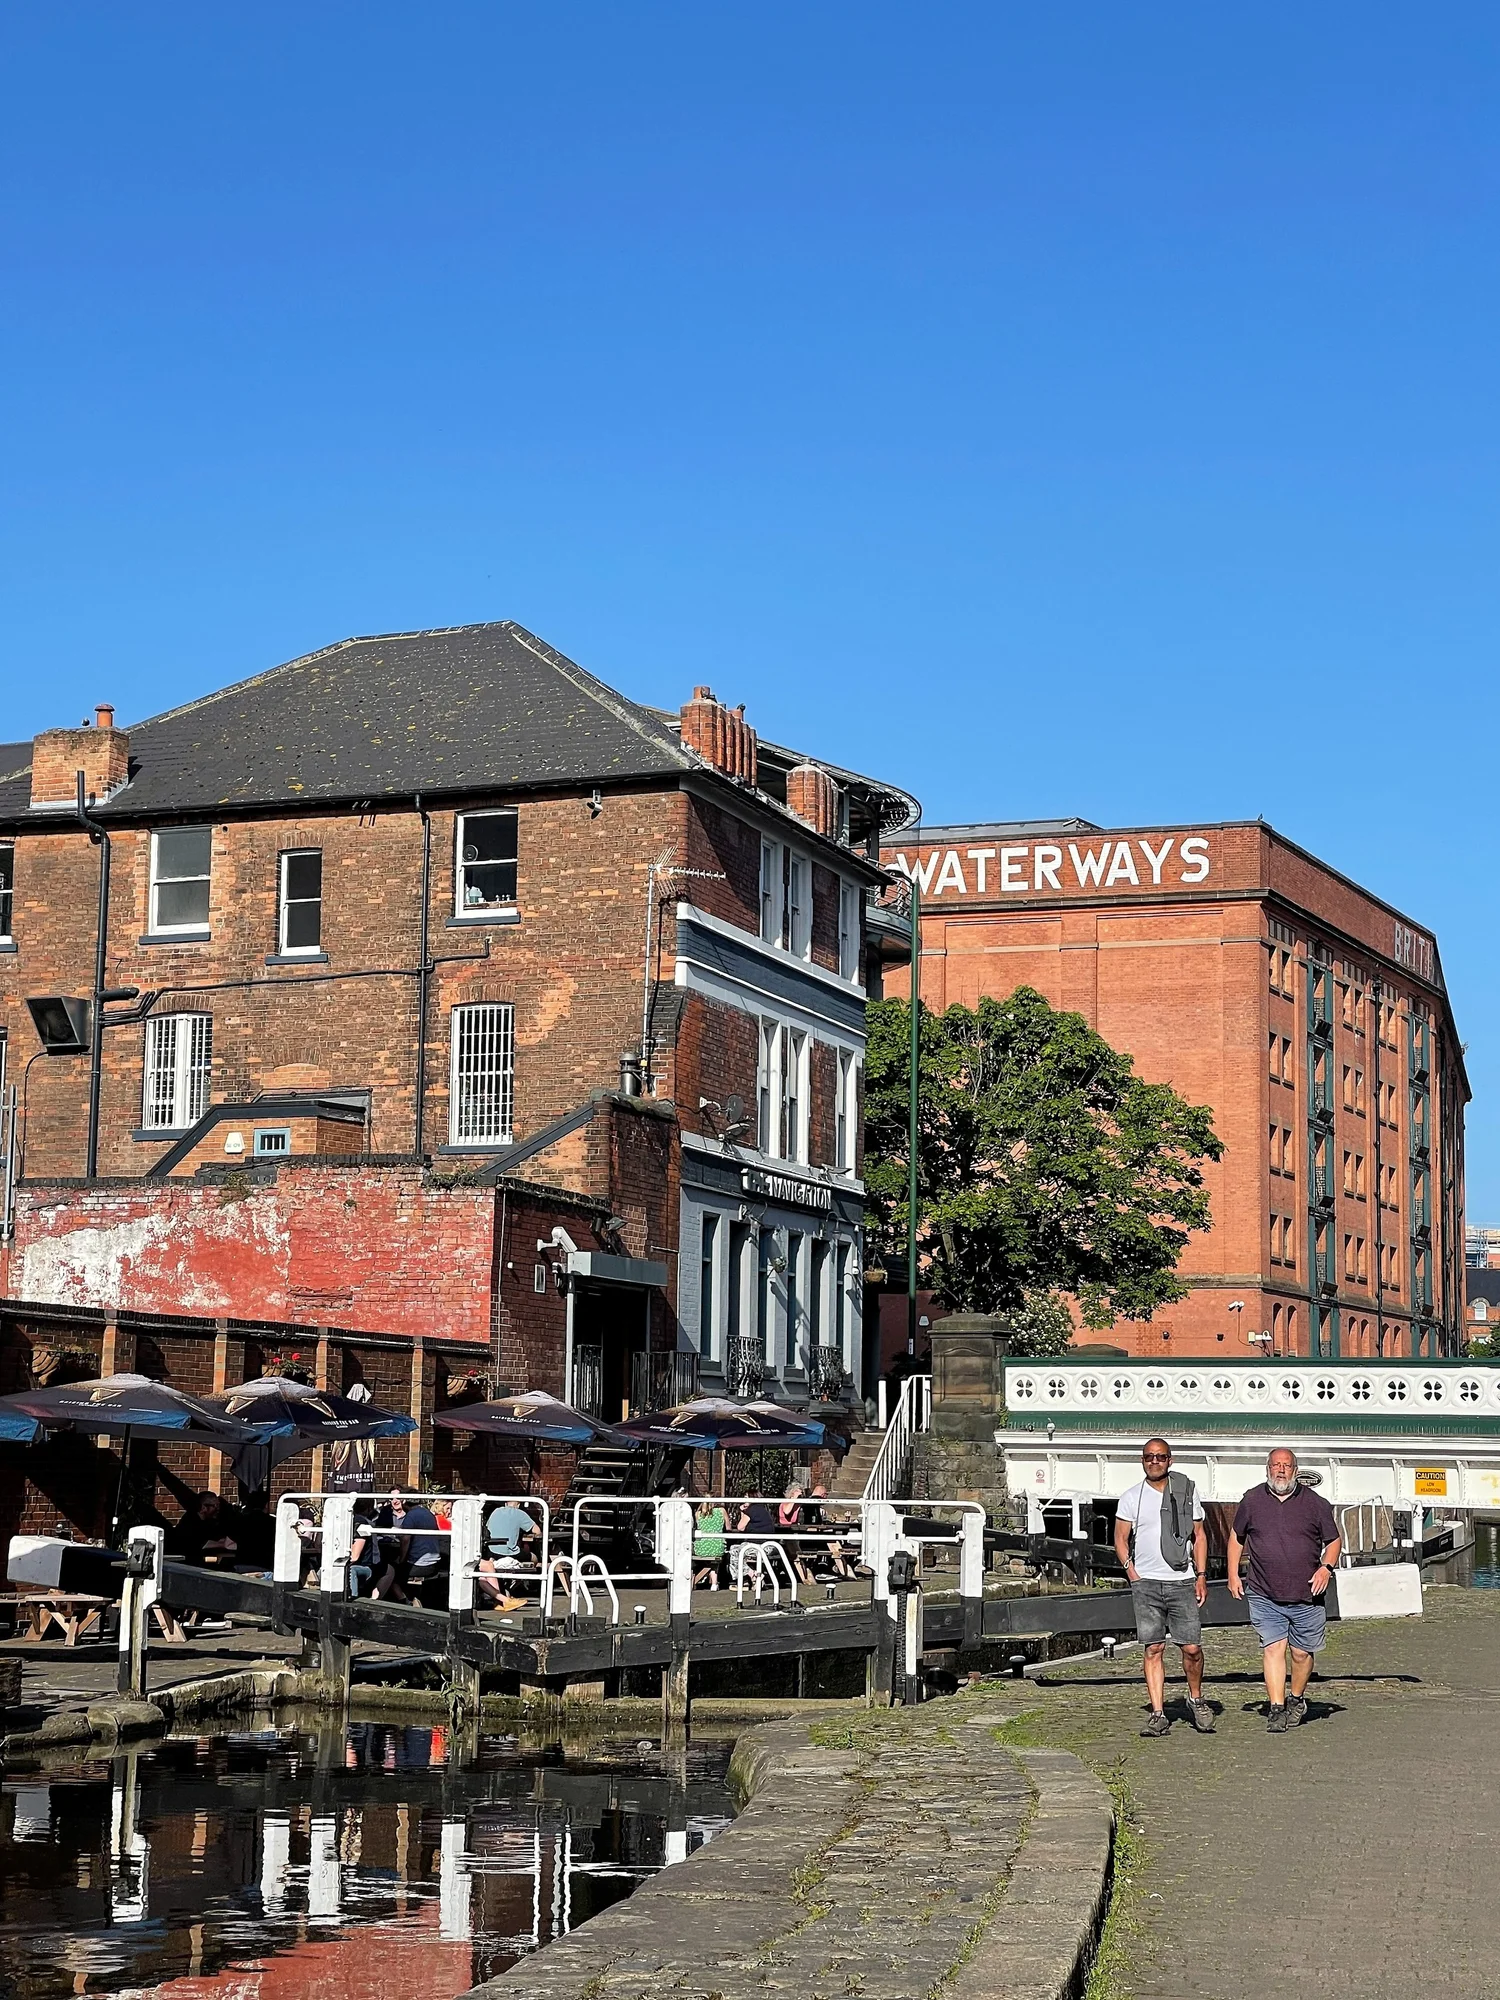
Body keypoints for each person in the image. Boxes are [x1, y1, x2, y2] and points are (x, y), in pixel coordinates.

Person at [1228, 1447, 1342, 1733]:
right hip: (1264, 1591)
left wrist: (1325, 1568)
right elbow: (1236, 1537)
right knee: (1273, 1647)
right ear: (1268, 1469)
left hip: (1307, 1594)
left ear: (1295, 1470)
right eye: (1275, 1465)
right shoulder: (1252, 1500)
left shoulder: (1315, 1503)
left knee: (1301, 1654)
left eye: (1286, 1465)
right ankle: (1276, 1708)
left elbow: (1334, 1542)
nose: (1280, 1470)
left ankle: (1297, 1698)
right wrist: (1232, 1574)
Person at [1113, 1437, 1213, 1737]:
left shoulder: (1185, 1492)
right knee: (1153, 1647)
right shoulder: (1131, 1497)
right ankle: (1158, 1713)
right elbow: (1120, 1537)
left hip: (1181, 1580)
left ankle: (1196, 1699)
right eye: (1148, 1457)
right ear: (1142, 1461)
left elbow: (1200, 1535)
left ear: (1170, 1460)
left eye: (1160, 1457)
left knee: (1192, 1648)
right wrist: (1131, 1571)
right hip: (1146, 1583)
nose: (1154, 1462)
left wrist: (1201, 1574)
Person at [477, 1500, 538, 1610]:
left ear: (505, 1504)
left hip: (491, 1550)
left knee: (488, 1571)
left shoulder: (495, 1511)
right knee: (534, 1558)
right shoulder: (519, 1513)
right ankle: (523, 1584)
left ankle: (503, 1597)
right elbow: (537, 1531)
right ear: (518, 1505)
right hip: (510, 1551)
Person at [693, 1499, 728, 1588]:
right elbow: (728, 1527)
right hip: (717, 1546)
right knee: (715, 1555)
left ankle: (708, 1580)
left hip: (701, 1547)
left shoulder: (697, 1514)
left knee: (709, 1557)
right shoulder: (721, 1511)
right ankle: (714, 1583)